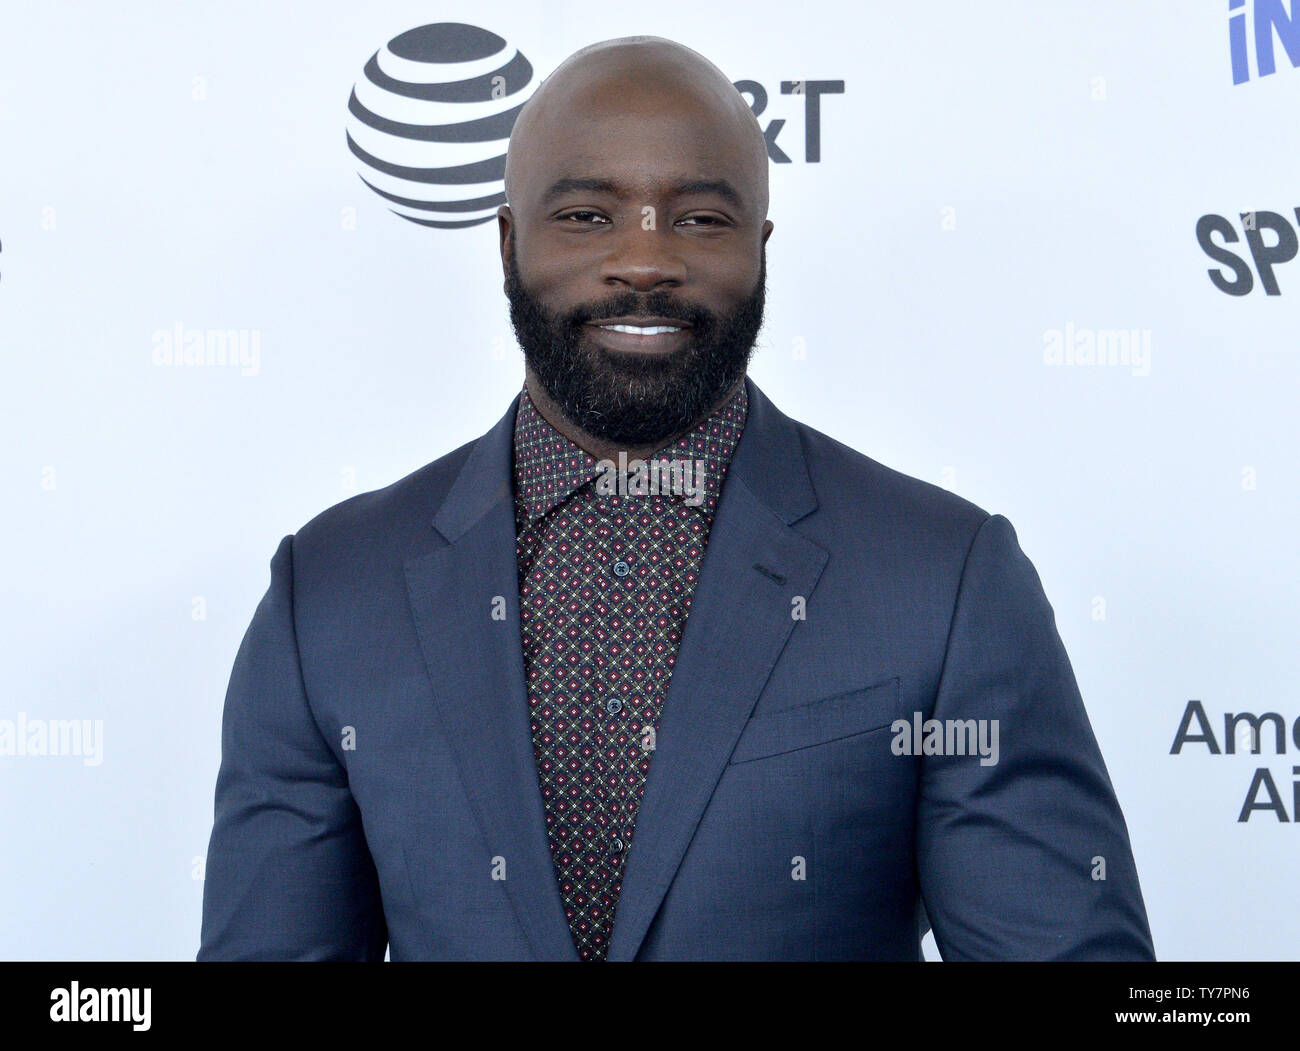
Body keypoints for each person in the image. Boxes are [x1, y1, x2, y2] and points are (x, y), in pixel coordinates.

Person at [199, 35, 1155, 961]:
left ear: (763, 246)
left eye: (700, 218)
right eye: (585, 216)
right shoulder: (327, 594)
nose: (646, 261)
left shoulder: (943, 580)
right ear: (504, 243)